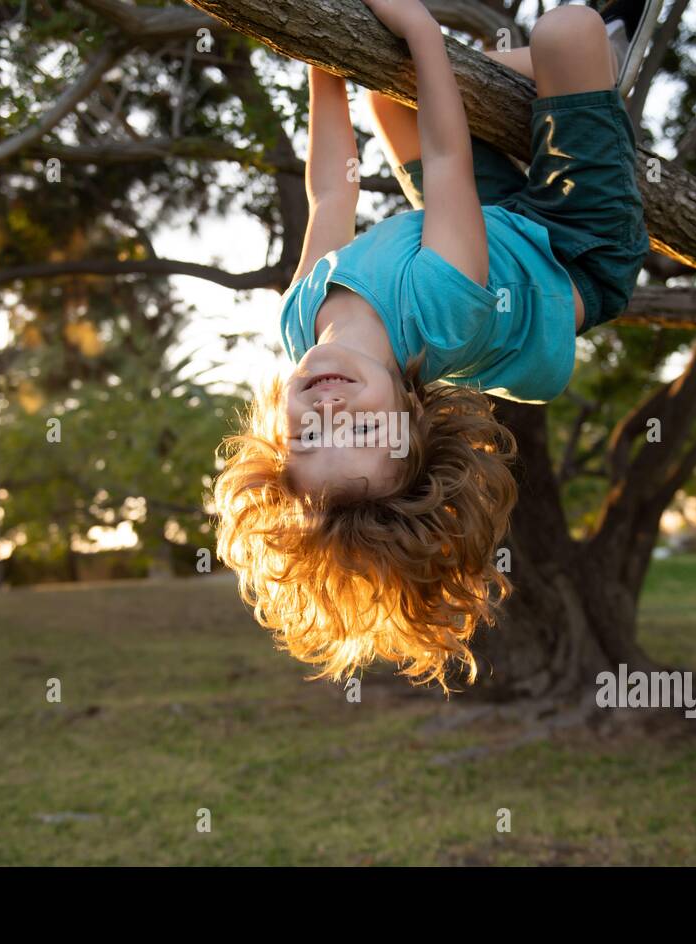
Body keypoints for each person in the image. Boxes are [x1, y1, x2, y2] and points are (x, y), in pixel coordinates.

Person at [214, 1, 650, 691]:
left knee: (389, 98)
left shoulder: (299, 320)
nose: (328, 411)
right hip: (577, 247)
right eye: (359, 430)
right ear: (409, 418)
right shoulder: (442, 315)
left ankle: (564, 81)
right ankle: (599, 64)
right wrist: (421, 29)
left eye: (308, 440)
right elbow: (448, 160)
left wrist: (320, 58)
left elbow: (331, 191)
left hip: (493, 219)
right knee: (570, 30)